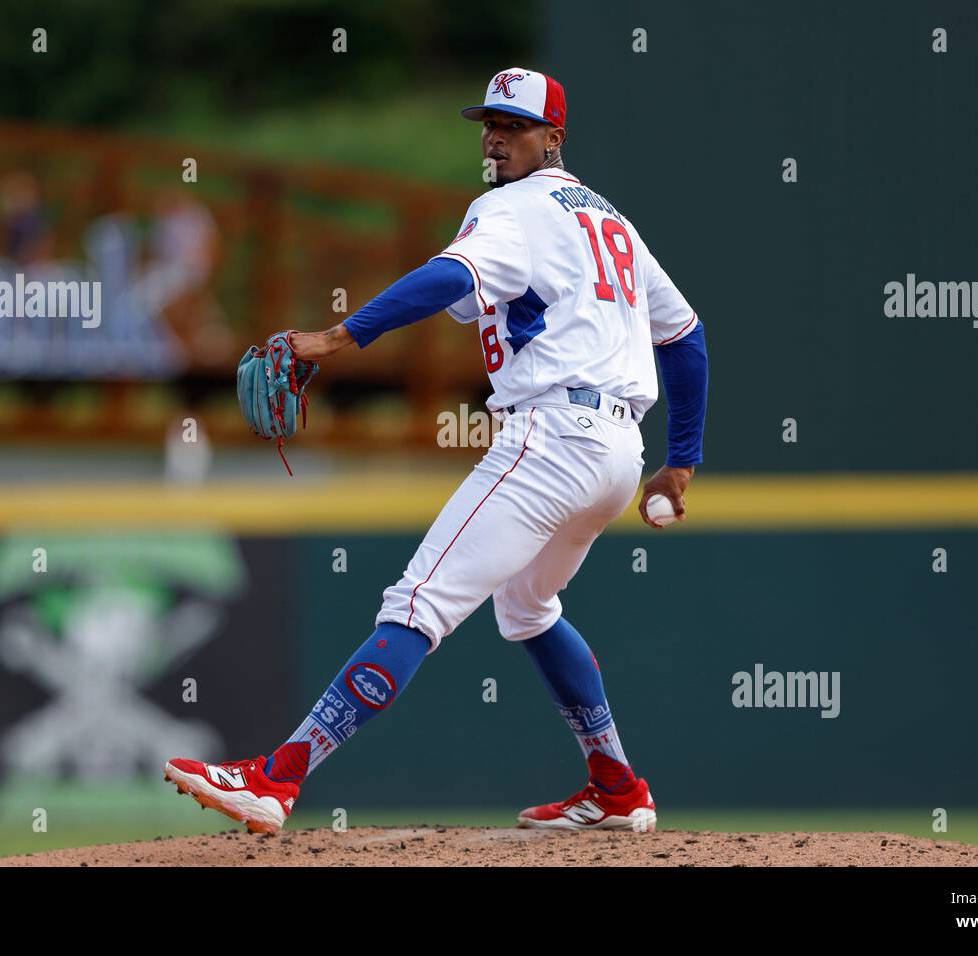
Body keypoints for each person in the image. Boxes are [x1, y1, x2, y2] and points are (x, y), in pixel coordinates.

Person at [165, 68, 709, 832]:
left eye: (514, 126)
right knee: (527, 608)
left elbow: (449, 275)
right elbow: (684, 334)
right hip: (617, 453)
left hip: (550, 440)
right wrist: (681, 460)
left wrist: (334, 336)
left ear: (554, 138)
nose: (494, 136)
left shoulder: (509, 208)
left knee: (417, 604)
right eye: (489, 122)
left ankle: (276, 780)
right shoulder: (610, 221)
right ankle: (618, 789)